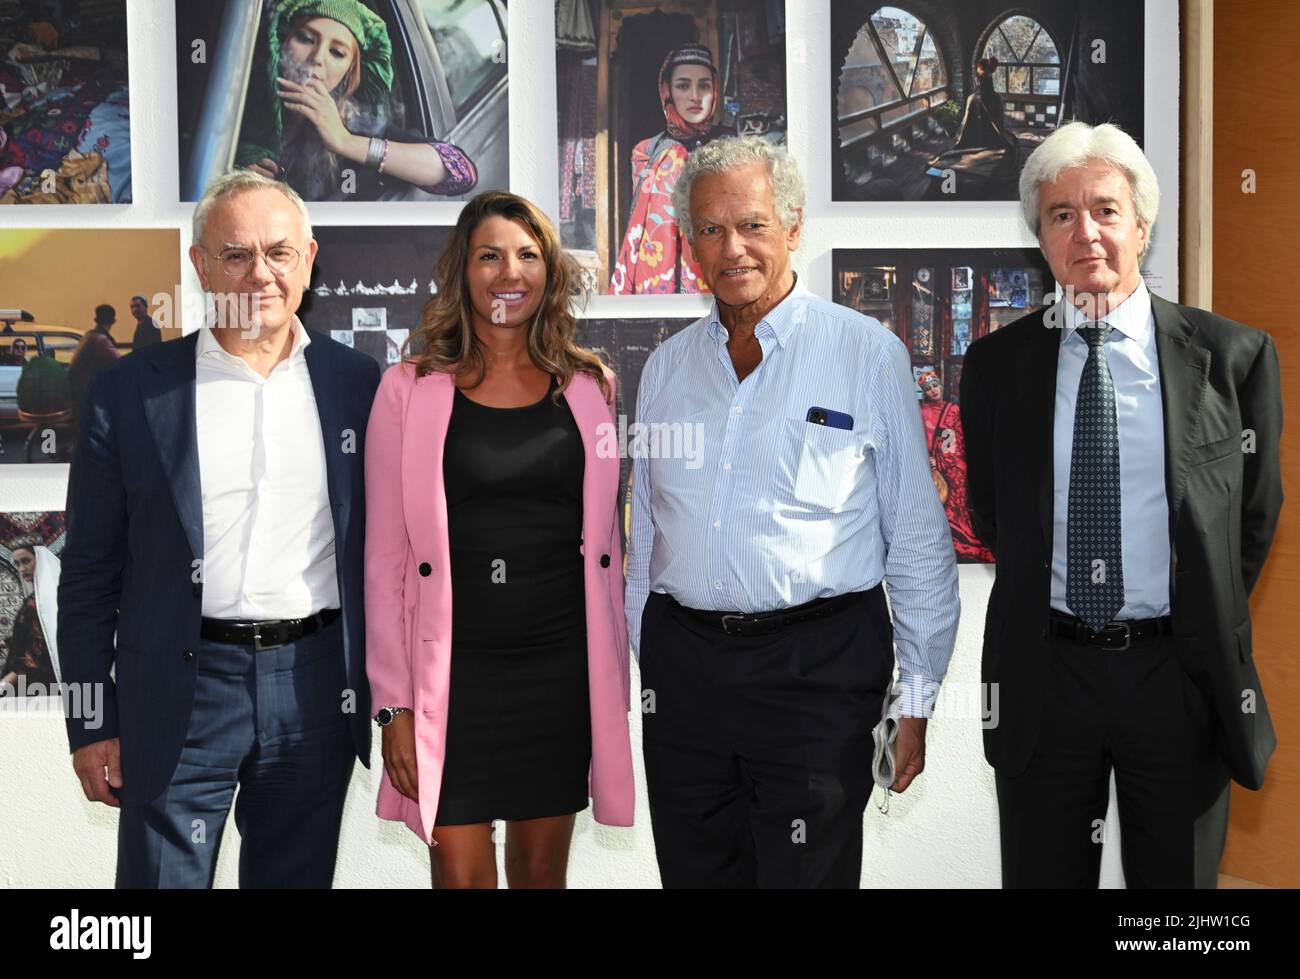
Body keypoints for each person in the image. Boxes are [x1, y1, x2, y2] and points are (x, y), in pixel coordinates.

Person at [627, 136, 959, 888]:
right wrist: (653, 665)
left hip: (819, 672)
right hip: (685, 676)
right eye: (710, 229)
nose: (732, 247)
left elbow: (915, 539)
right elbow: (646, 531)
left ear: (794, 227)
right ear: (688, 243)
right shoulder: (667, 368)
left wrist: (916, 699)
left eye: (752, 224)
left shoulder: (866, 353)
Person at [960, 121, 1284, 888]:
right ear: (1040, 237)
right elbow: (995, 515)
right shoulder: (997, 366)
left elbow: (1251, 519)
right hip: (1046, 678)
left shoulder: (1233, 358)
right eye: (1061, 214)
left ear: (1143, 225)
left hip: (1179, 677)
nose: (1086, 233)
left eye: (1106, 209)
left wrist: (1190, 609)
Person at [57, 169, 381, 888]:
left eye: (279, 252)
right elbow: (86, 578)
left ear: (308, 260)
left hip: (315, 688)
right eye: (236, 254)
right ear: (201, 265)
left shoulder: (360, 385)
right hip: (177, 690)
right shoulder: (130, 392)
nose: (260, 273)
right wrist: (90, 720)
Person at [365, 190, 634, 888]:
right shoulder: (407, 390)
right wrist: (392, 706)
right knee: (459, 878)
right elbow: (385, 562)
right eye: (489, 255)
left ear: (549, 272)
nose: (509, 272)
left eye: (527, 255)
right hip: (450, 680)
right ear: (463, 270)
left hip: (559, 673)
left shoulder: (590, 387)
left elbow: (608, 546)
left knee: (541, 880)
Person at [235, 0, 477, 201]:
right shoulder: (235, 102)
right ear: (281, 43)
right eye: (306, 38)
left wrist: (345, 141)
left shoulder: (357, 122)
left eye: (337, 52)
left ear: (348, 73)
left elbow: (460, 172)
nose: (317, 58)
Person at [610, 43, 725, 295]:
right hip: (662, 284)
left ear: (715, 89)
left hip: (720, 276)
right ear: (667, 91)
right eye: (683, 86)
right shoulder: (647, 151)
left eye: (704, 85)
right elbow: (641, 227)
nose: (695, 96)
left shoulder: (732, 147)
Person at [917, 370, 991, 562]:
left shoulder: (954, 410)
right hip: (933, 463)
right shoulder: (921, 412)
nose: (933, 390)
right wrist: (928, 459)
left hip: (954, 461)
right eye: (929, 388)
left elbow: (962, 438)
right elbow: (919, 439)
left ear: (941, 386)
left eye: (935, 386)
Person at [67, 305, 121, 431]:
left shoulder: (89, 336)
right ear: (112, 321)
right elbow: (119, 362)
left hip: (77, 389)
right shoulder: (101, 340)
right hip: (87, 391)